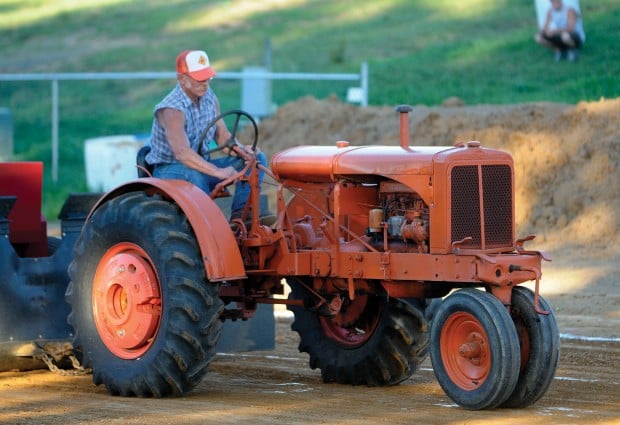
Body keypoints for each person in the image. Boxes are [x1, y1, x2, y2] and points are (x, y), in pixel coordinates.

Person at [146, 49, 271, 222]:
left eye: (207, 78)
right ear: (182, 79)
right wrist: (218, 172)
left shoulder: (209, 97)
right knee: (193, 176)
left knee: (256, 159)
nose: (205, 83)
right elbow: (182, 152)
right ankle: (212, 227)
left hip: (198, 164)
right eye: (199, 79)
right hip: (169, 169)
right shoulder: (171, 109)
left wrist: (242, 150)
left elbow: (222, 136)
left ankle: (242, 216)